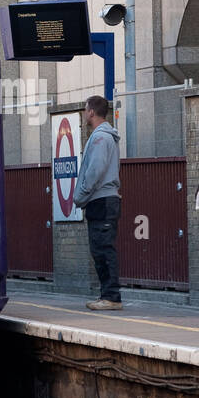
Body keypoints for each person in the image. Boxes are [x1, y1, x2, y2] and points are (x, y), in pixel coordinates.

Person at [74, 95, 122, 311]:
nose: (85, 114)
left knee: (103, 250)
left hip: (101, 199)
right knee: (100, 249)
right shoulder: (101, 136)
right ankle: (108, 295)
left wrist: (82, 193)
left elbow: (96, 170)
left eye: (86, 110)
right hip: (102, 199)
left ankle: (111, 297)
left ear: (91, 112)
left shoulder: (100, 138)